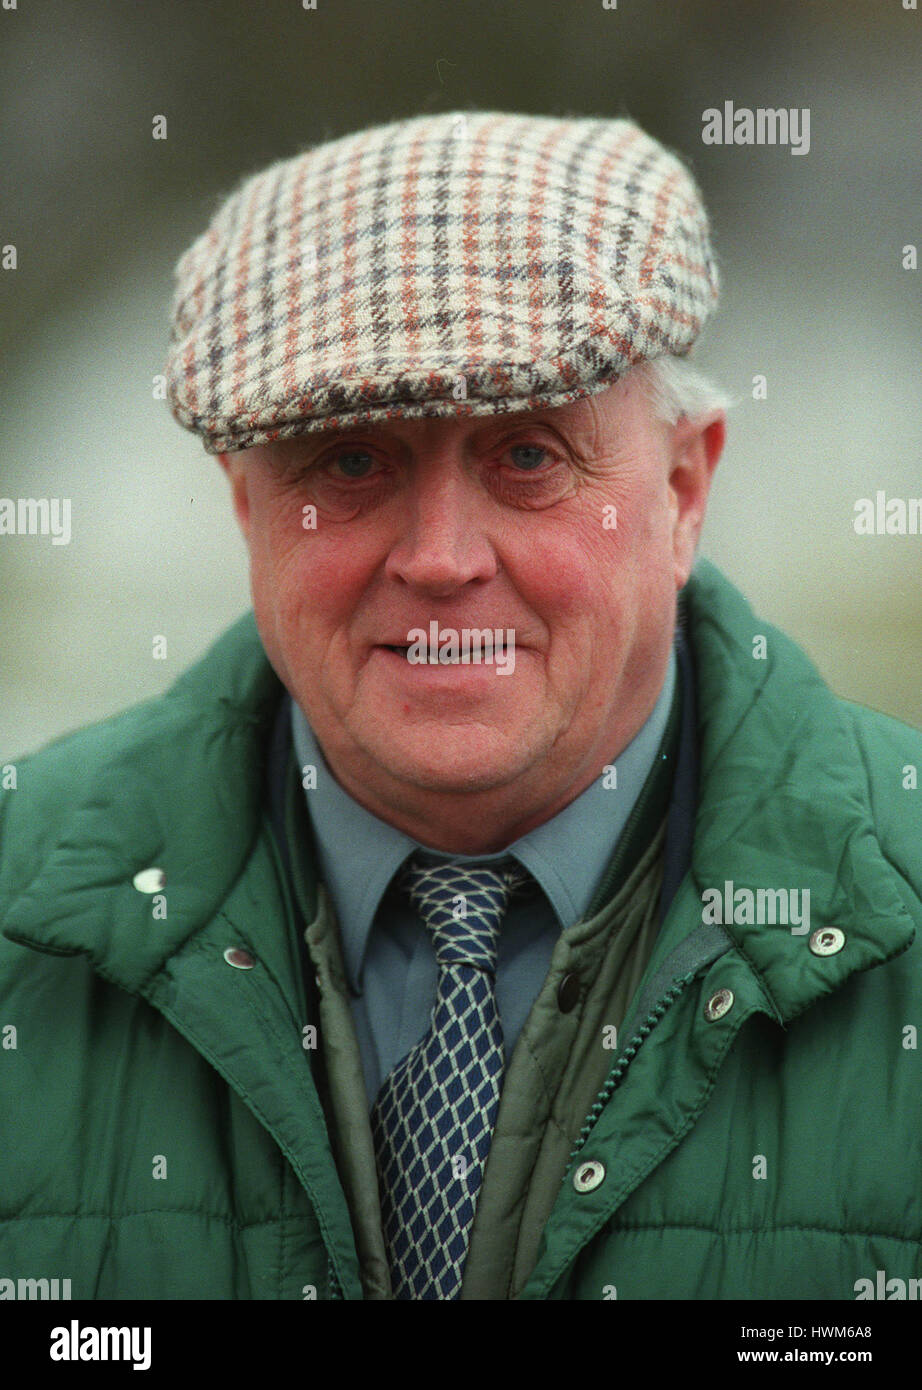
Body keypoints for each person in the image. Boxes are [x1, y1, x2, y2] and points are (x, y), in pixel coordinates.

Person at [1, 110, 920, 1303]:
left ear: (684, 488)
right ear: (245, 510)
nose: (439, 558)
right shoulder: (27, 914)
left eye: (528, 456)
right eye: (350, 462)